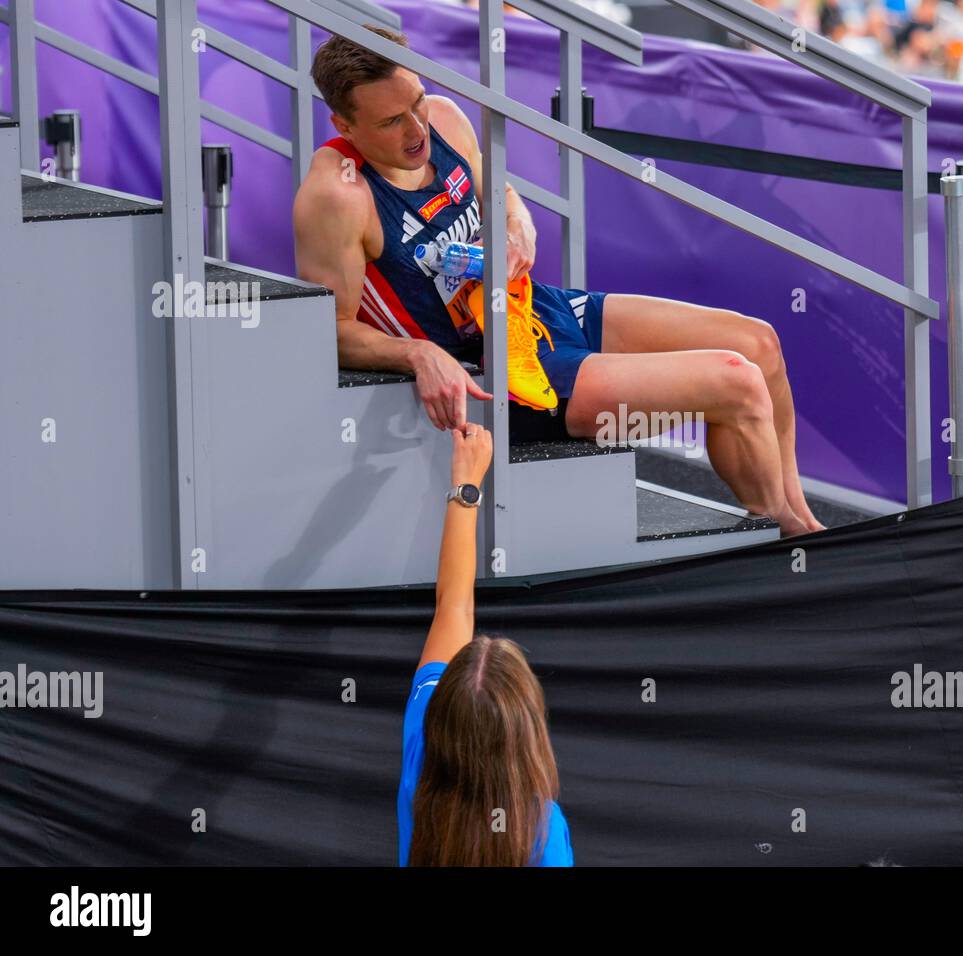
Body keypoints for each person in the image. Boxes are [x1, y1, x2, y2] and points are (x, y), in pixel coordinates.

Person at [292, 25, 825, 537]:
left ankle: (802, 516)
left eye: (418, 101)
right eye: (391, 122)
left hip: (532, 313)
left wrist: (518, 231)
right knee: (735, 380)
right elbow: (331, 329)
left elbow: (500, 194)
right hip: (500, 375)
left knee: (759, 344)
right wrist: (417, 354)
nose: (416, 130)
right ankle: (786, 536)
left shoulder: (447, 120)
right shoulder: (338, 196)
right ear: (345, 126)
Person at [397, 421, 574, 866]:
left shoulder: (423, 758)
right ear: (527, 735)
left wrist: (466, 486)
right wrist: (467, 482)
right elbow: (454, 610)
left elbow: (453, 608)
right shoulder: (543, 833)